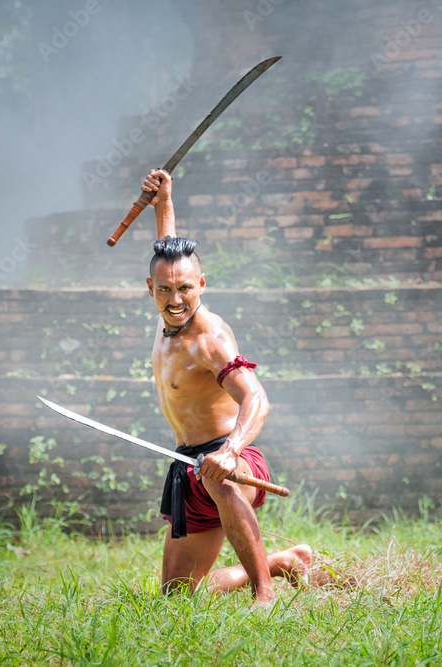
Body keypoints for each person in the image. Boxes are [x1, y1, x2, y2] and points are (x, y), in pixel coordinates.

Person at [141, 169, 311, 606]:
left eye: (185, 289)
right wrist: (164, 203)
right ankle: (281, 562)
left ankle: (265, 593)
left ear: (202, 285)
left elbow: (256, 397)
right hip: (187, 464)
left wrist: (230, 450)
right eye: (165, 290)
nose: (176, 299)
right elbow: (169, 253)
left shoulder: (208, 339)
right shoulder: (168, 314)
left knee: (221, 481)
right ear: (151, 288)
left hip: (233, 461)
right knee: (177, 599)